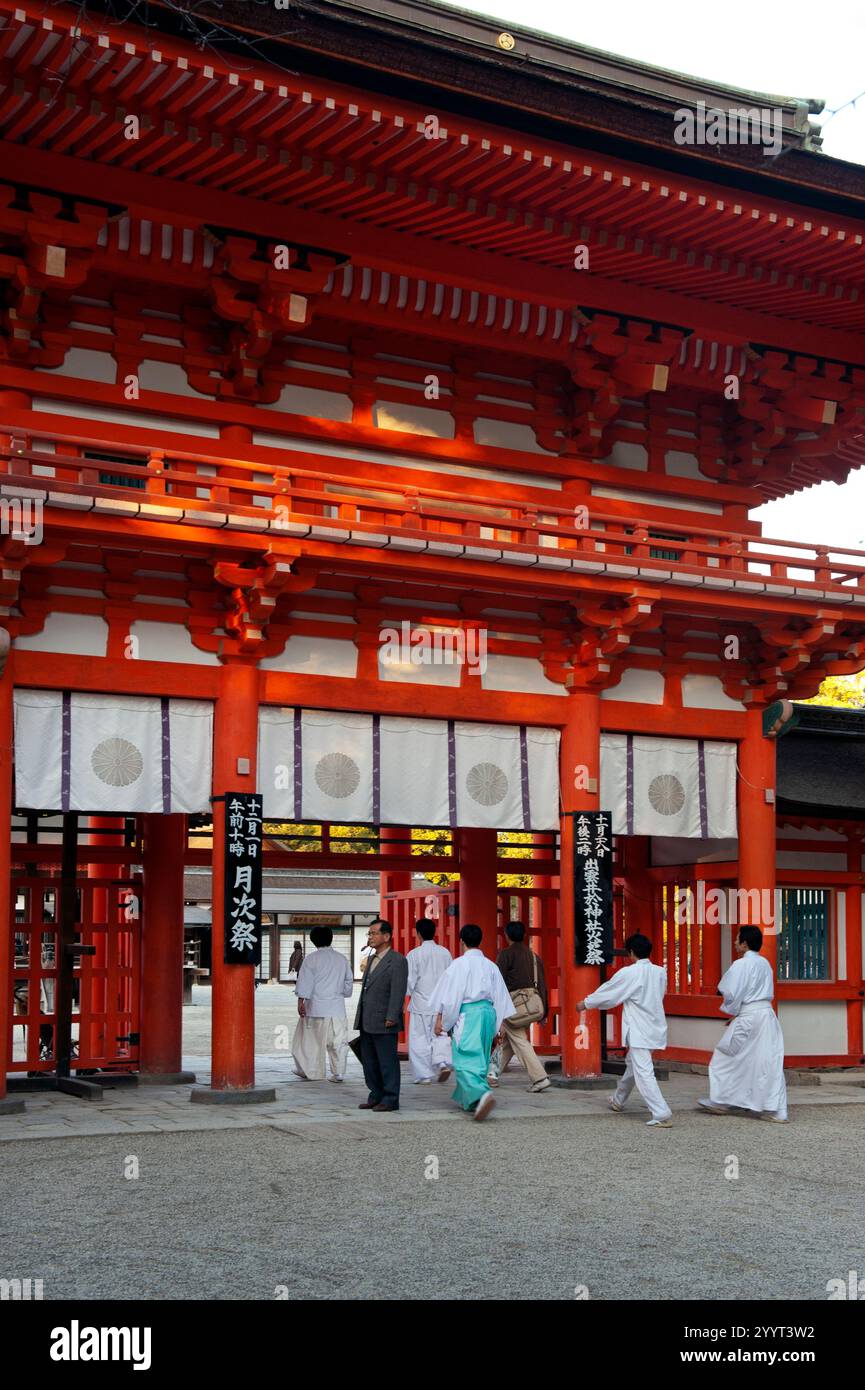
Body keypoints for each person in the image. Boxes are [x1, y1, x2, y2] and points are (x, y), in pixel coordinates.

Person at [576, 933, 673, 1128]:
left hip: (639, 1028)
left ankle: (660, 1112)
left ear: (631, 952)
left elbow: (610, 992)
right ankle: (618, 1100)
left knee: (643, 1071)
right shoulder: (660, 972)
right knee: (633, 1065)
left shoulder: (629, 972)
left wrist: (586, 1002)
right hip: (655, 1025)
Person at [699, 925, 788, 1122]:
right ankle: (777, 1110)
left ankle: (721, 1101)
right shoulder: (765, 963)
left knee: (725, 1056)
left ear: (744, 943)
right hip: (766, 1015)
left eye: (737, 939)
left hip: (749, 1016)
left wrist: (734, 1011)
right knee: (768, 1061)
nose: (734, 942)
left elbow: (730, 991)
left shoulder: (741, 965)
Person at [429, 924, 515, 1122]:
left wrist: (444, 1021)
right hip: (489, 1013)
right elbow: (501, 997)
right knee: (481, 1057)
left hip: (468, 1014)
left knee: (465, 1058)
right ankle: (472, 1101)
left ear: (461, 941)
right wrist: (499, 1024)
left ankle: (481, 1094)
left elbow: (451, 998)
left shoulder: (459, 965)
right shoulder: (491, 965)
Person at [354, 919, 408, 1113]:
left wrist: (392, 1015)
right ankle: (375, 1094)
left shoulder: (398, 960)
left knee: (387, 1061)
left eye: (374, 933)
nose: (370, 937)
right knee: (369, 1061)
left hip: (385, 1019)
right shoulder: (371, 958)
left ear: (386, 936)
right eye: (369, 934)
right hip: (367, 1019)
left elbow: (398, 990)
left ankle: (390, 1098)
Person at [493, 920, 550, 1093]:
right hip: (532, 1006)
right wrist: (544, 1012)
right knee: (509, 1043)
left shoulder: (505, 954)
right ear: (524, 935)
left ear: (506, 935)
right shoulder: (534, 957)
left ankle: (540, 1078)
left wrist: (497, 1009)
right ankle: (491, 1074)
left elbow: (499, 983)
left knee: (518, 1040)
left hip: (513, 1006)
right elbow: (542, 985)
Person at [291, 926, 353, 1083]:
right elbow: (348, 983)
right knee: (337, 1042)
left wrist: (300, 1001)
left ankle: (312, 1071)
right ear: (331, 938)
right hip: (337, 1008)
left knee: (311, 1043)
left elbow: (304, 982)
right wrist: (343, 993)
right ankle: (338, 1072)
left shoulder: (311, 959)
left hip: (316, 1007)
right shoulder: (341, 958)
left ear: (313, 940)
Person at [406, 918, 453, 1084]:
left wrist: (405, 995)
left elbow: (410, 981)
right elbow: (450, 978)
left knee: (419, 1039)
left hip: (421, 1002)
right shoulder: (445, 953)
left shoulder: (414, 954)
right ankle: (441, 1062)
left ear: (418, 934)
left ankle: (424, 1075)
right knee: (439, 1035)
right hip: (440, 1004)